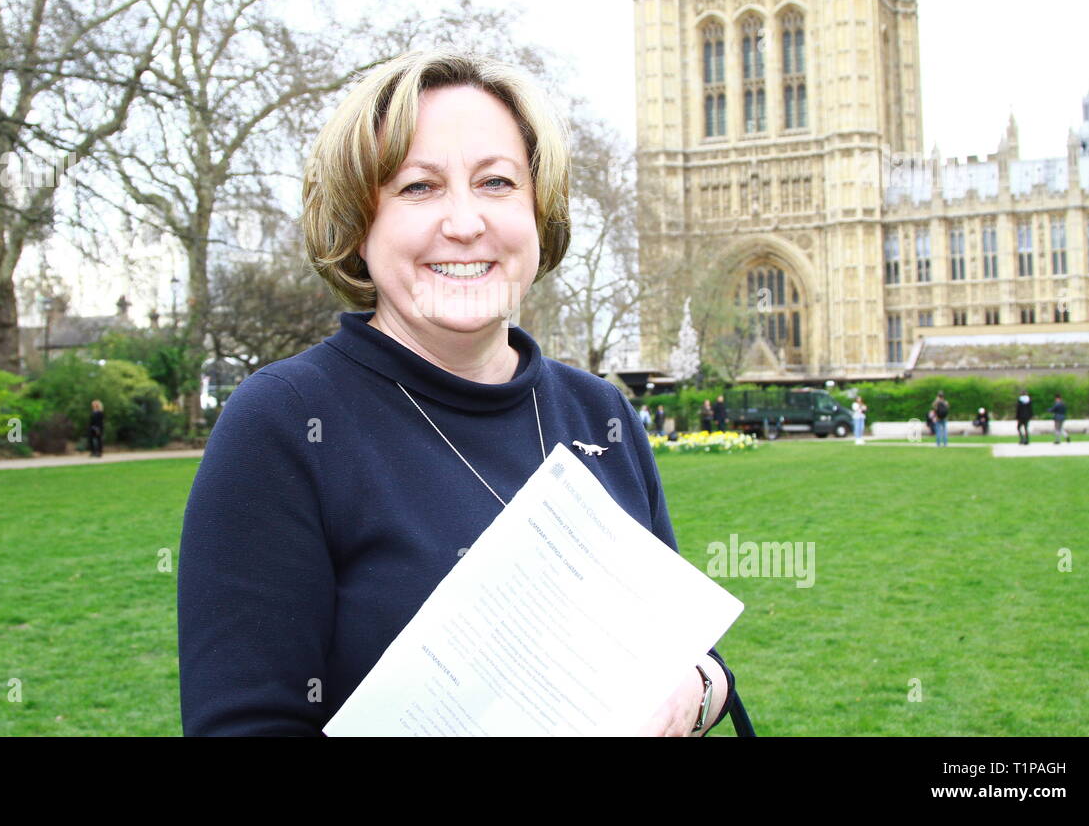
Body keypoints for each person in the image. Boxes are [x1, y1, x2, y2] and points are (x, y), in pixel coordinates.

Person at [178, 51, 737, 737]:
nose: (466, 222)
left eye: (497, 182)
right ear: (359, 225)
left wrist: (700, 688)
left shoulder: (600, 411)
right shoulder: (285, 422)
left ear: (539, 213)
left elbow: (687, 654)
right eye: (419, 187)